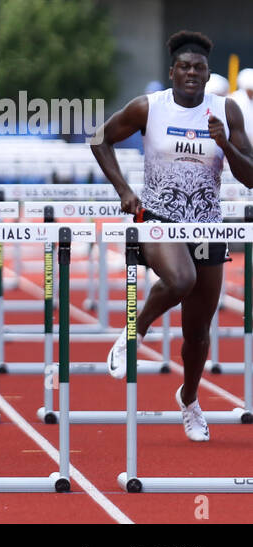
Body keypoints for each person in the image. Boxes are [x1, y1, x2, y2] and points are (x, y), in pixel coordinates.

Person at [95, 31, 253, 442]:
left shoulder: (226, 111)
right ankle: (134, 331)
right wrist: (125, 191)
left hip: (206, 224)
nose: (191, 73)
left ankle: (189, 398)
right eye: (184, 67)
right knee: (181, 280)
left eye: (198, 68)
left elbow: (250, 177)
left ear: (207, 74)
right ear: (171, 72)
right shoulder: (150, 108)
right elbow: (100, 139)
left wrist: (226, 145)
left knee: (197, 332)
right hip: (158, 218)